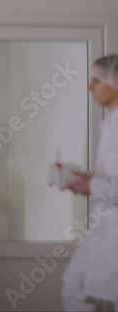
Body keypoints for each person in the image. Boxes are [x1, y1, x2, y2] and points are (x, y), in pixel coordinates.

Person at [59, 54, 118, 312]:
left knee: (78, 293)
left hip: (112, 236)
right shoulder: (111, 123)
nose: (89, 86)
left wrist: (90, 186)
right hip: (104, 231)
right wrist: (82, 178)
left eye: (97, 80)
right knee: (74, 289)